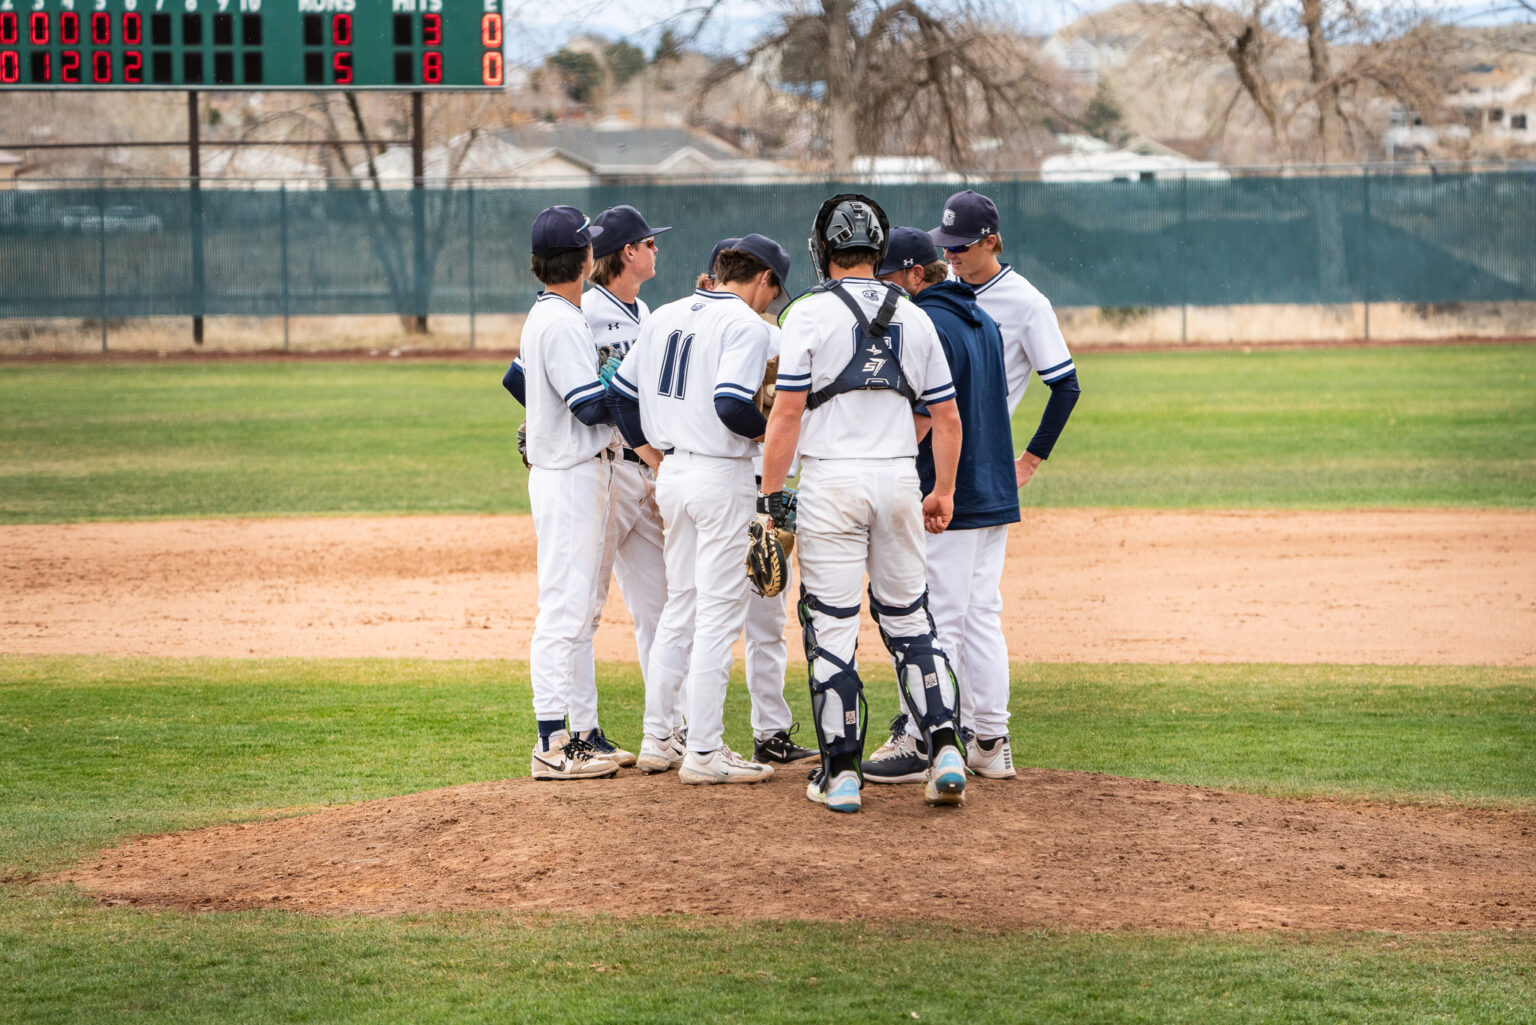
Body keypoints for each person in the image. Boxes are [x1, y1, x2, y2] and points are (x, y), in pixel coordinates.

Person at [759, 194, 968, 813]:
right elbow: (946, 416)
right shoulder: (917, 315)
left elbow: (788, 412)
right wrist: (943, 490)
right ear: (878, 254)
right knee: (911, 620)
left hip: (831, 484)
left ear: (824, 251)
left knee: (831, 627)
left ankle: (841, 774)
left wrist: (772, 497)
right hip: (900, 478)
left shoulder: (808, 314)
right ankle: (947, 749)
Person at [606, 234, 793, 785]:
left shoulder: (664, 314)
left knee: (681, 606)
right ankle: (705, 751)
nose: (773, 303)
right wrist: (776, 436)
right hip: (720, 474)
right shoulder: (747, 326)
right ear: (763, 278)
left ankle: (658, 738)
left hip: (675, 475)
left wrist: (652, 454)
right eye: (775, 291)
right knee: (718, 613)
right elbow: (734, 403)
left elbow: (619, 394)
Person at [925, 189, 1081, 775]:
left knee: (953, 611)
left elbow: (1064, 385)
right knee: (972, 611)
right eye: (947, 247)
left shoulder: (1025, 302)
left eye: (962, 246)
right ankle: (987, 739)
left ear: (992, 240)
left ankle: (941, 735)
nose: (954, 256)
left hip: (974, 472)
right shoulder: (950, 295)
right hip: (973, 473)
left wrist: (1031, 460)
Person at [860, 227, 1020, 784]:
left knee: (934, 620)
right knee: (980, 616)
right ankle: (990, 740)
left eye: (886, 278)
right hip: (993, 489)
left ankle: (922, 734)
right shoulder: (982, 319)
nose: (880, 291)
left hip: (947, 494)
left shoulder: (924, 323)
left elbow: (924, 418)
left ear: (913, 276)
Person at [698, 236, 818, 769]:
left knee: (766, 614)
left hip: (752, 483)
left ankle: (769, 731)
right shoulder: (734, 330)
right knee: (712, 614)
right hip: (725, 482)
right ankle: (694, 736)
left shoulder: (771, 335)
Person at [516, 205, 623, 781]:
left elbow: (530, 388)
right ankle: (550, 741)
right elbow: (587, 405)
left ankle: (580, 736)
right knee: (562, 608)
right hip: (569, 475)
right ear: (584, 259)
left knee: (577, 609)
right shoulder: (559, 322)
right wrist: (634, 390)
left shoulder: (554, 313)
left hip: (572, 471)